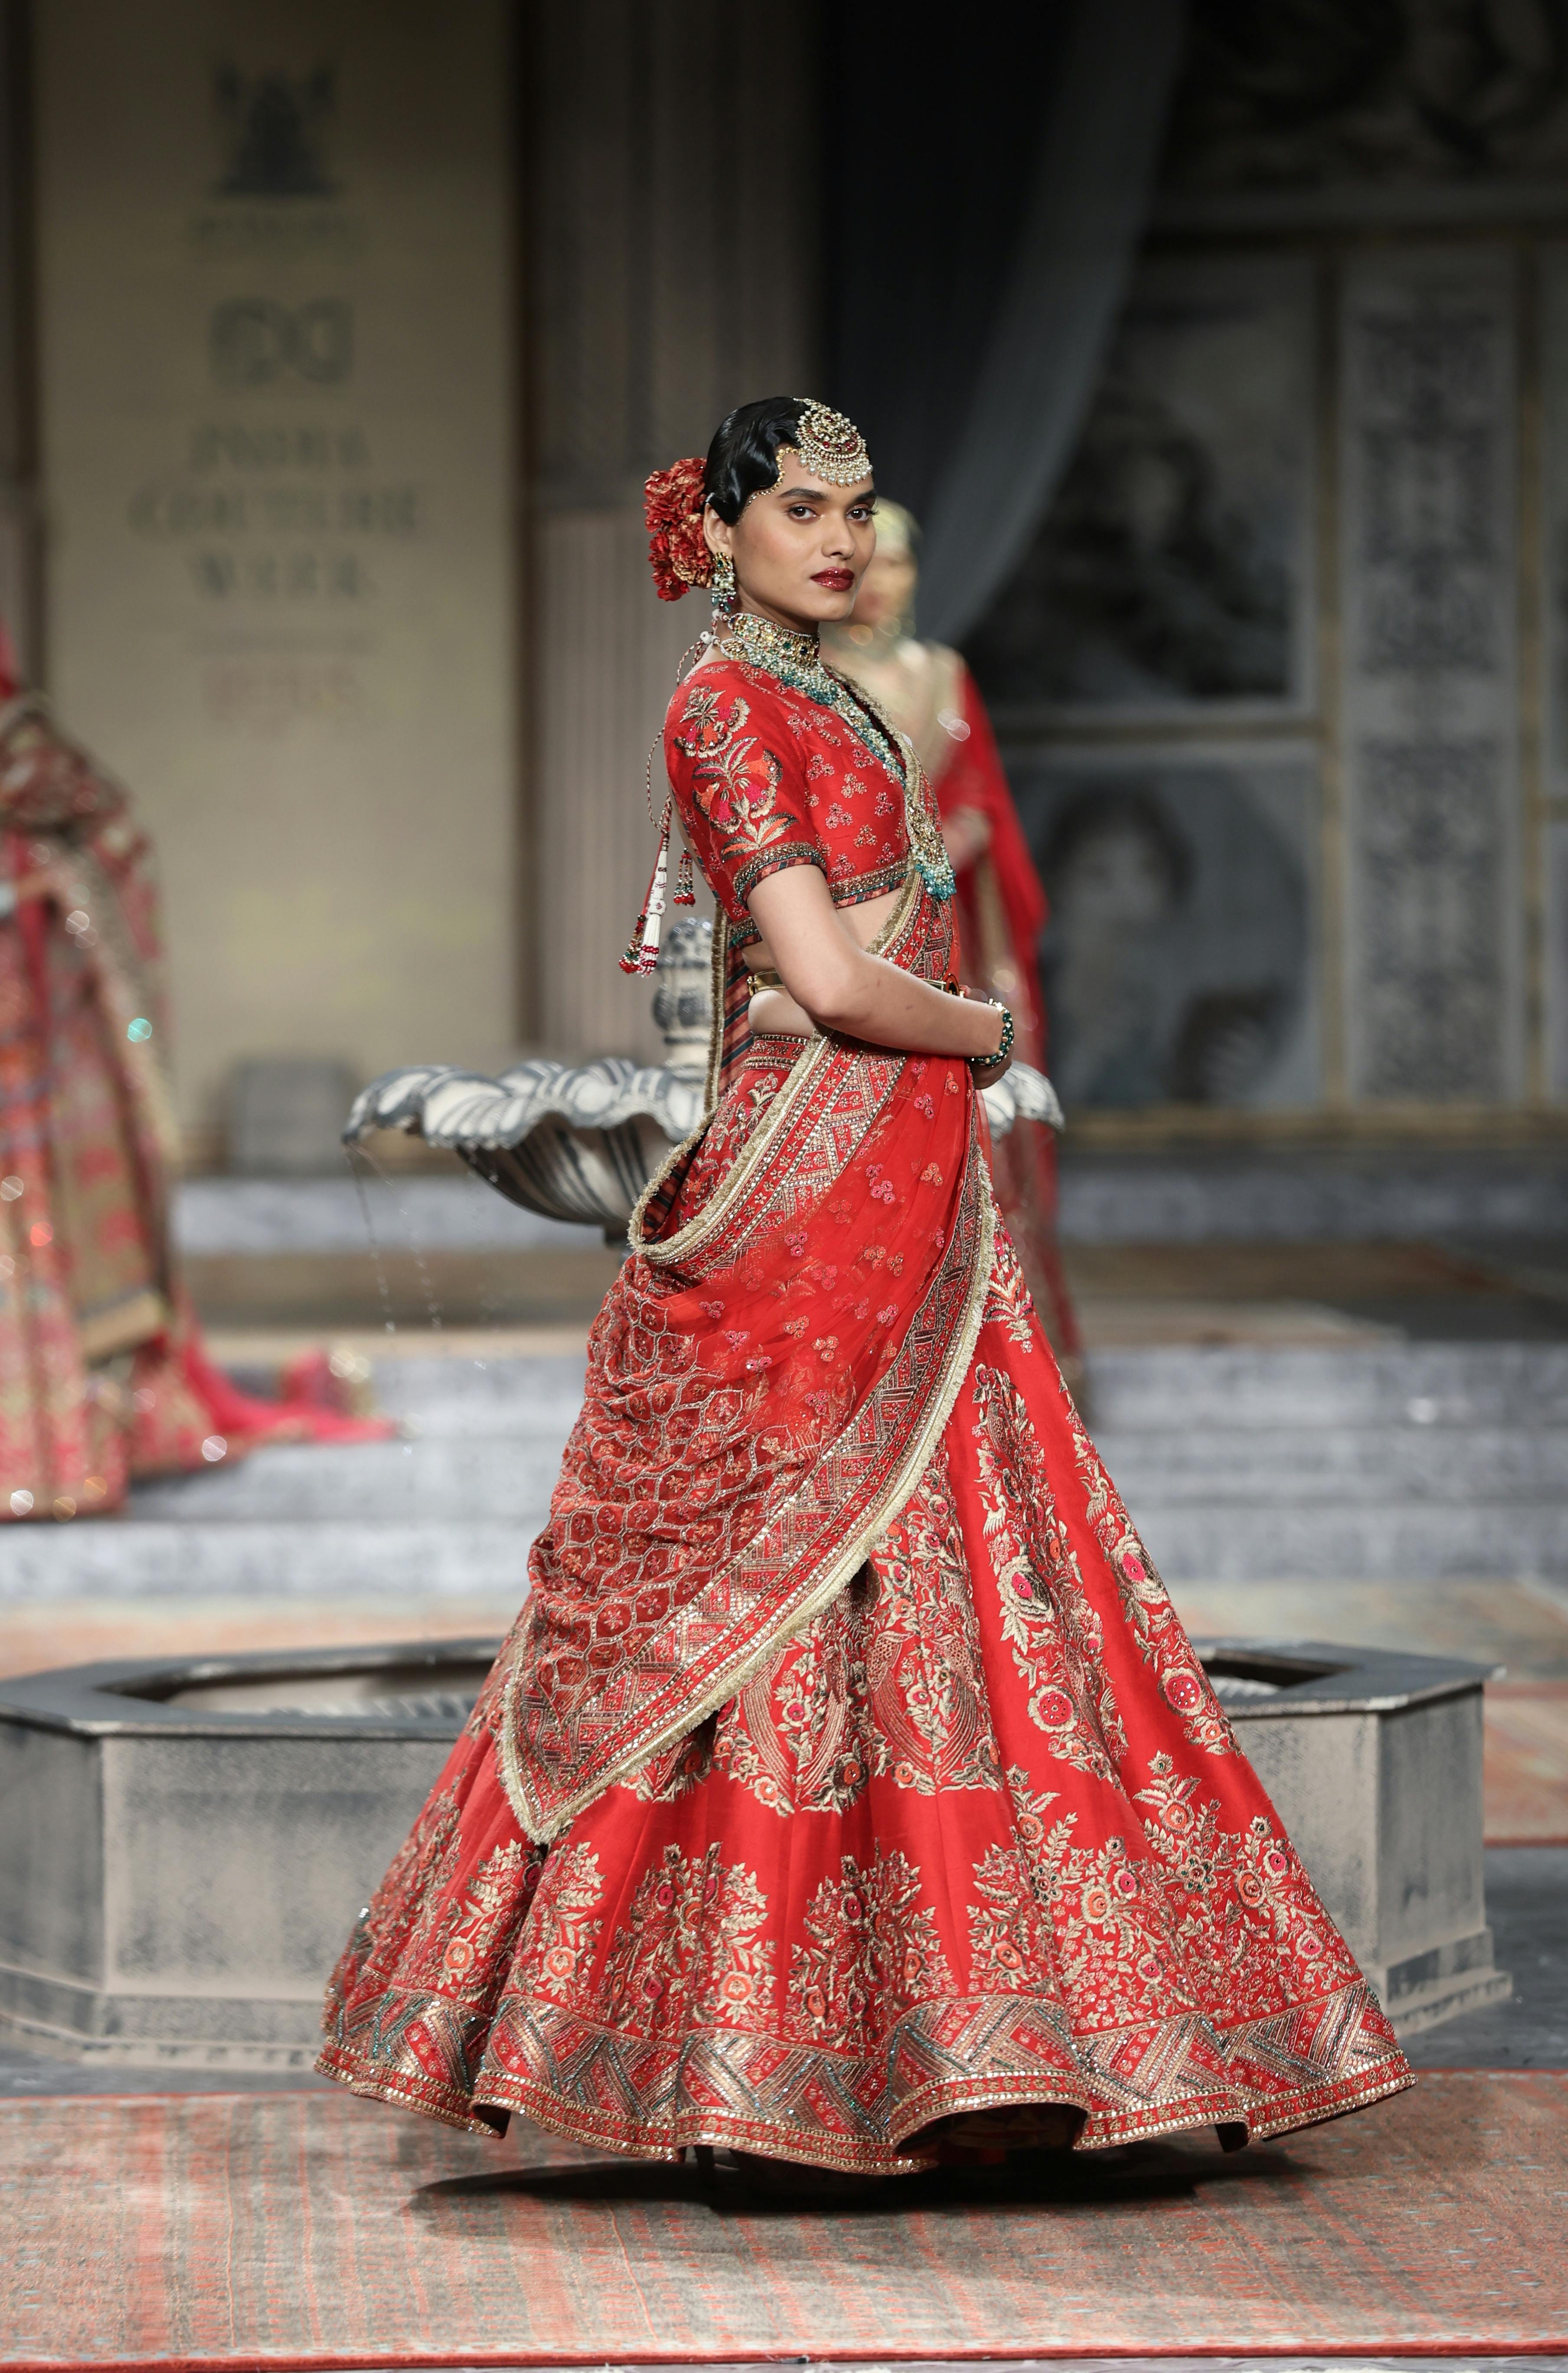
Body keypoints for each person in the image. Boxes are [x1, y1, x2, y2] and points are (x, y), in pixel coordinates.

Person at [317, 397, 1411, 2174]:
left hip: (892, 1184)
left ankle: (962, 2041)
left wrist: (860, 1022)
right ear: (721, 531)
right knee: (789, 1575)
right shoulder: (725, 702)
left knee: (957, 1567)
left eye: (857, 511)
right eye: (801, 510)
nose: (837, 540)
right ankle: (760, 2060)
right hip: (815, 1193)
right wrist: (981, 1035)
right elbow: (828, 973)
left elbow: (778, 970)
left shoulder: (833, 696)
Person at [0, 583, 386, 1522]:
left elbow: (107, 838)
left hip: (17, 1057)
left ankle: (47, 1453)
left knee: (27, 1226)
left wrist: (35, 891)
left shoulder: (22, 757)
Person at [824, 500, 1081, 1380]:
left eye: (896, 564)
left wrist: (932, 855)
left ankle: (987, 1341)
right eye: (864, 561)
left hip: (942, 931)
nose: (879, 580)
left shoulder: (942, 674)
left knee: (970, 1120)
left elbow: (979, 805)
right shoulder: (804, 675)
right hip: (840, 924)